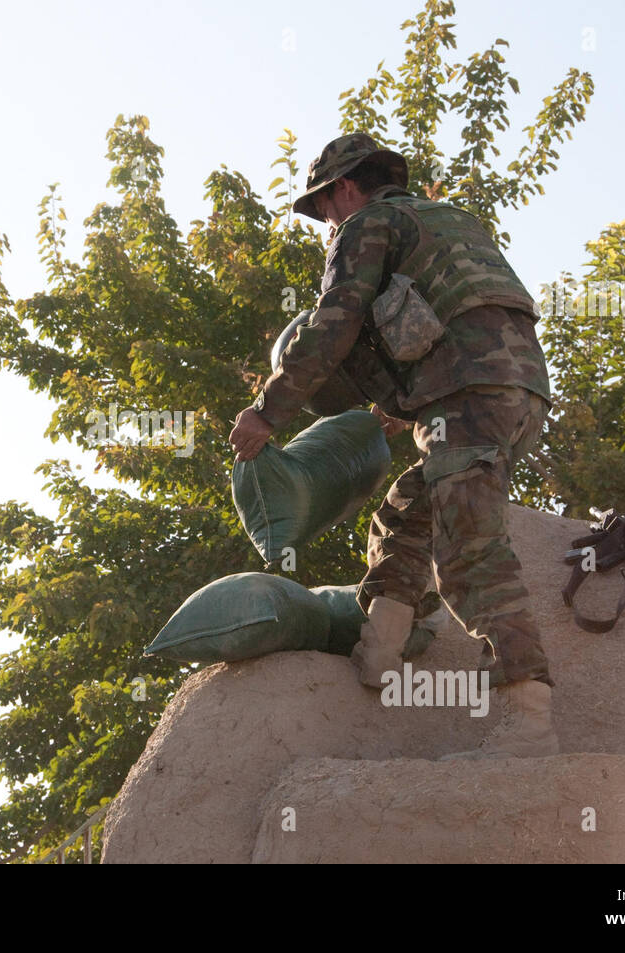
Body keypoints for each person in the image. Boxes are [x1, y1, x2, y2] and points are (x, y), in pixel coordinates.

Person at [228, 132, 557, 759]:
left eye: (324, 206)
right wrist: (401, 405)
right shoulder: (450, 221)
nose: (326, 220)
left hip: (468, 396)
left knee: (470, 551)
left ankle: (530, 722)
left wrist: (268, 411)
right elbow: (453, 316)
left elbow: (336, 319)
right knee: (409, 511)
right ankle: (380, 653)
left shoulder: (367, 224)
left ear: (345, 188)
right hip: (518, 392)